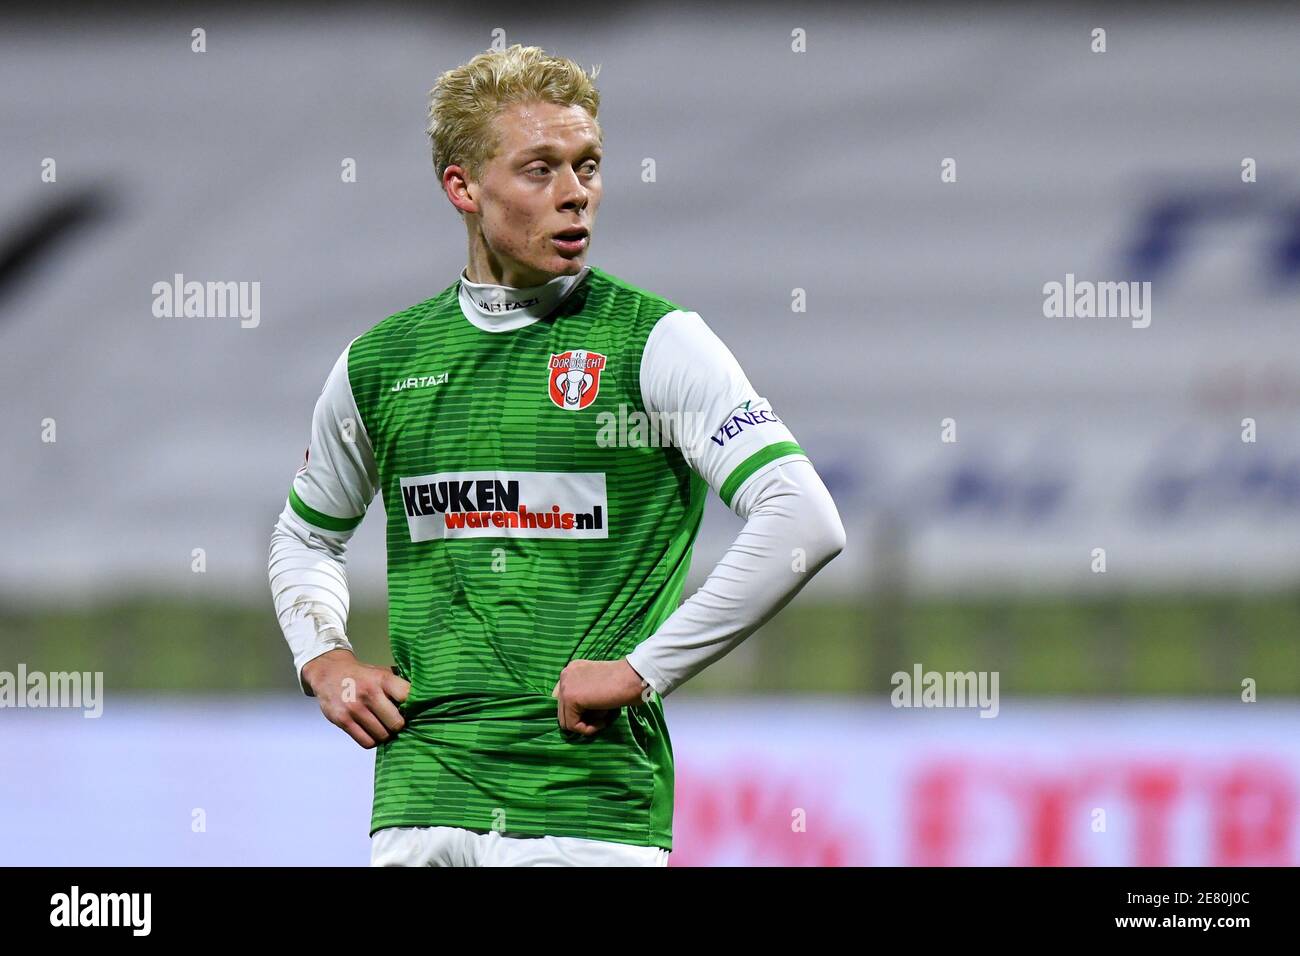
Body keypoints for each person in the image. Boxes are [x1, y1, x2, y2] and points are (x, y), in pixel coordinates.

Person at [267, 44, 845, 867]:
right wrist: (322, 656)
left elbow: (805, 519)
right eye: (540, 169)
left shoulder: (655, 342)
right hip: (419, 799)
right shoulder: (382, 361)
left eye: (589, 166)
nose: (576, 194)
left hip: (584, 809)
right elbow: (306, 535)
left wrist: (644, 669)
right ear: (463, 188)